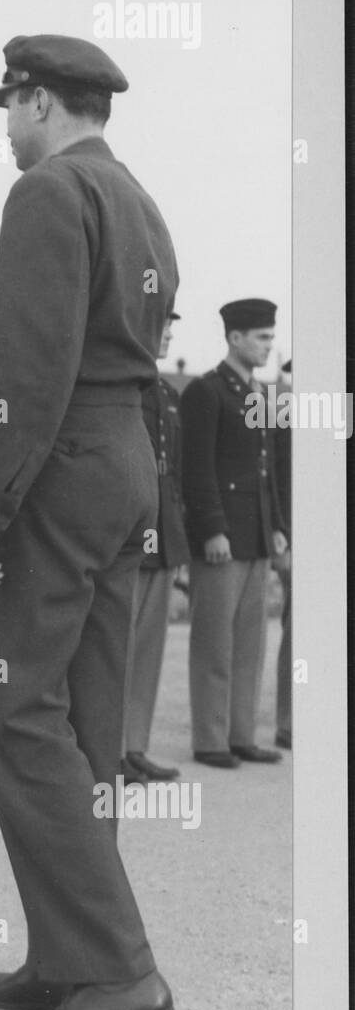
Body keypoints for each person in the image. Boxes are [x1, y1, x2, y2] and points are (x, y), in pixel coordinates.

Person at [0, 34, 179, 1010]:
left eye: (7, 109)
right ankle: (68, 954)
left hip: (59, 473)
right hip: (119, 462)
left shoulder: (44, 194)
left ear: (34, 101)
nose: (6, 131)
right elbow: (94, 363)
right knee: (85, 719)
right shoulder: (136, 200)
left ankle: (118, 971)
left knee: (19, 714)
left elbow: (31, 361)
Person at [180, 299, 288, 768]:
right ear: (235, 338)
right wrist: (211, 530)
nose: (268, 345)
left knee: (250, 642)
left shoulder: (262, 396)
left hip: (259, 533)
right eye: (261, 337)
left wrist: (279, 528)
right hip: (222, 537)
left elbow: (270, 472)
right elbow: (197, 469)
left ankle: (241, 734)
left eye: (270, 336)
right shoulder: (206, 392)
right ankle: (210, 740)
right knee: (214, 642)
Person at [121, 311, 190, 783]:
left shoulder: (165, 391)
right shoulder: (123, 384)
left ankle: (135, 745)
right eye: (160, 324)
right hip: (128, 535)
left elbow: (175, 471)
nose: (167, 333)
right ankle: (110, 750)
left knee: (147, 651)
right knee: (116, 651)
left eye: (171, 326)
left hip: (163, 537)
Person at [273, 359, 292, 751]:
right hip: (299, 537)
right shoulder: (283, 422)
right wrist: (282, 537)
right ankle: (289, 722)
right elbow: (272, 483)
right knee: (300, 629)